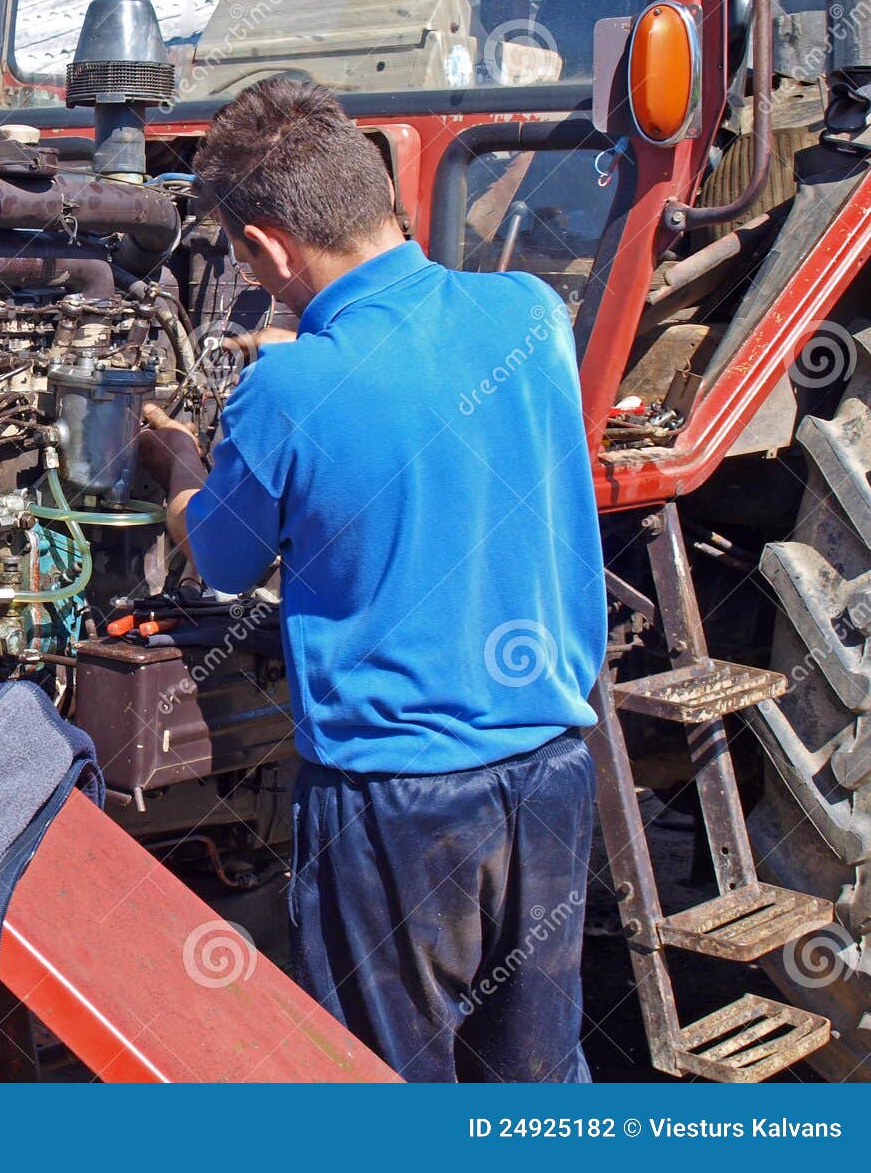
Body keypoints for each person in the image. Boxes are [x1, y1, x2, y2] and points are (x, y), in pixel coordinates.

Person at [139, 78, 606, 1082]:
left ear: (264, 247)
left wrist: (178, 462)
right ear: (379, 191)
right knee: (536, 1078)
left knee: (383, 1083)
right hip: (555, 769)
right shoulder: (530, 312)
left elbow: (221, 560)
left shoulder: (287, 386)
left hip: (398, 800)